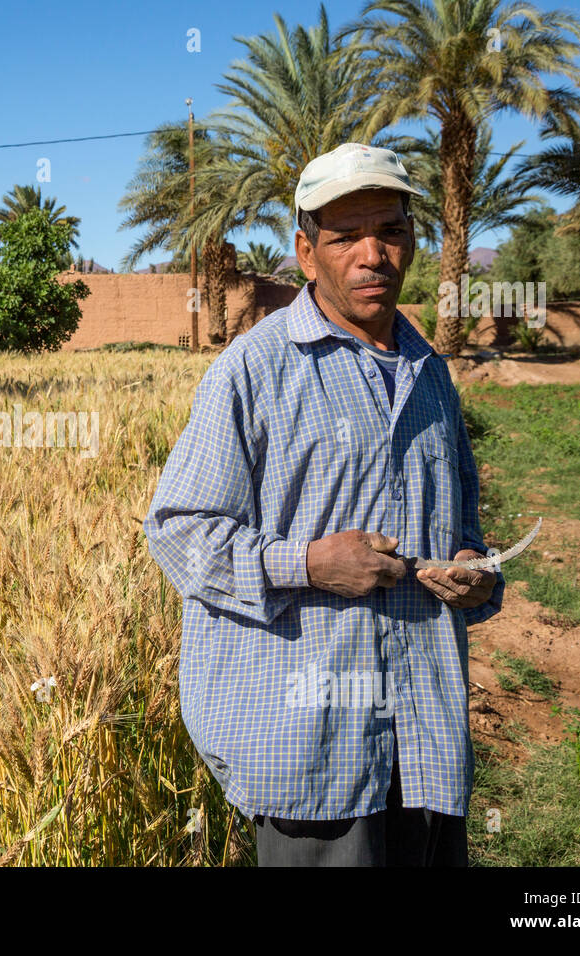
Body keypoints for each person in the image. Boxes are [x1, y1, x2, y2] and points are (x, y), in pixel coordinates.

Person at [143, 142, 504, 866]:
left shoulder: (431, 374)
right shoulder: (254, 369)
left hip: (423, 739)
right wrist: (308, 563)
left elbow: (463, 526)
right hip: (312, 752)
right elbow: (178, 533)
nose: (373, 255)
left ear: (413, 242)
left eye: (391, 232)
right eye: (345, 238)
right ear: (308, 254)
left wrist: (475, 570)